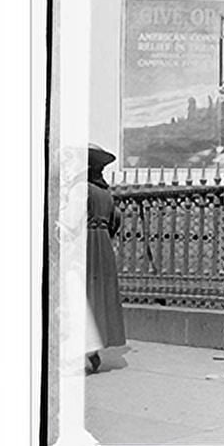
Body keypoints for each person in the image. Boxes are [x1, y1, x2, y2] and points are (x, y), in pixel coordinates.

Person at [85, 144, 127, 373]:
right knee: (98, 296)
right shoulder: (106, 194)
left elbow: (71, 221)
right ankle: (93, 350)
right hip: (103, 246)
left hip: (85, 245)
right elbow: (115, 222)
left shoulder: (82, 190)